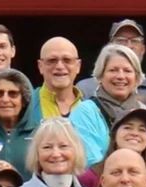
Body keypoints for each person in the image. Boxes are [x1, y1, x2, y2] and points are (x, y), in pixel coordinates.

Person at [87, 43, 146, 177]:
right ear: (100, 75)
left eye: (127, 71)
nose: (120, 76)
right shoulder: (86, 111)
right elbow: (91, 162)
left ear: (137, 78)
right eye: (113, 70)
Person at [35, 35, 106, 167]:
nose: (60, 66)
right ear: (40, 66)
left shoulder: (93, 110)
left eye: (67, 60)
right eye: (52, 60)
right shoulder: (26, 106)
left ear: (78, 66)